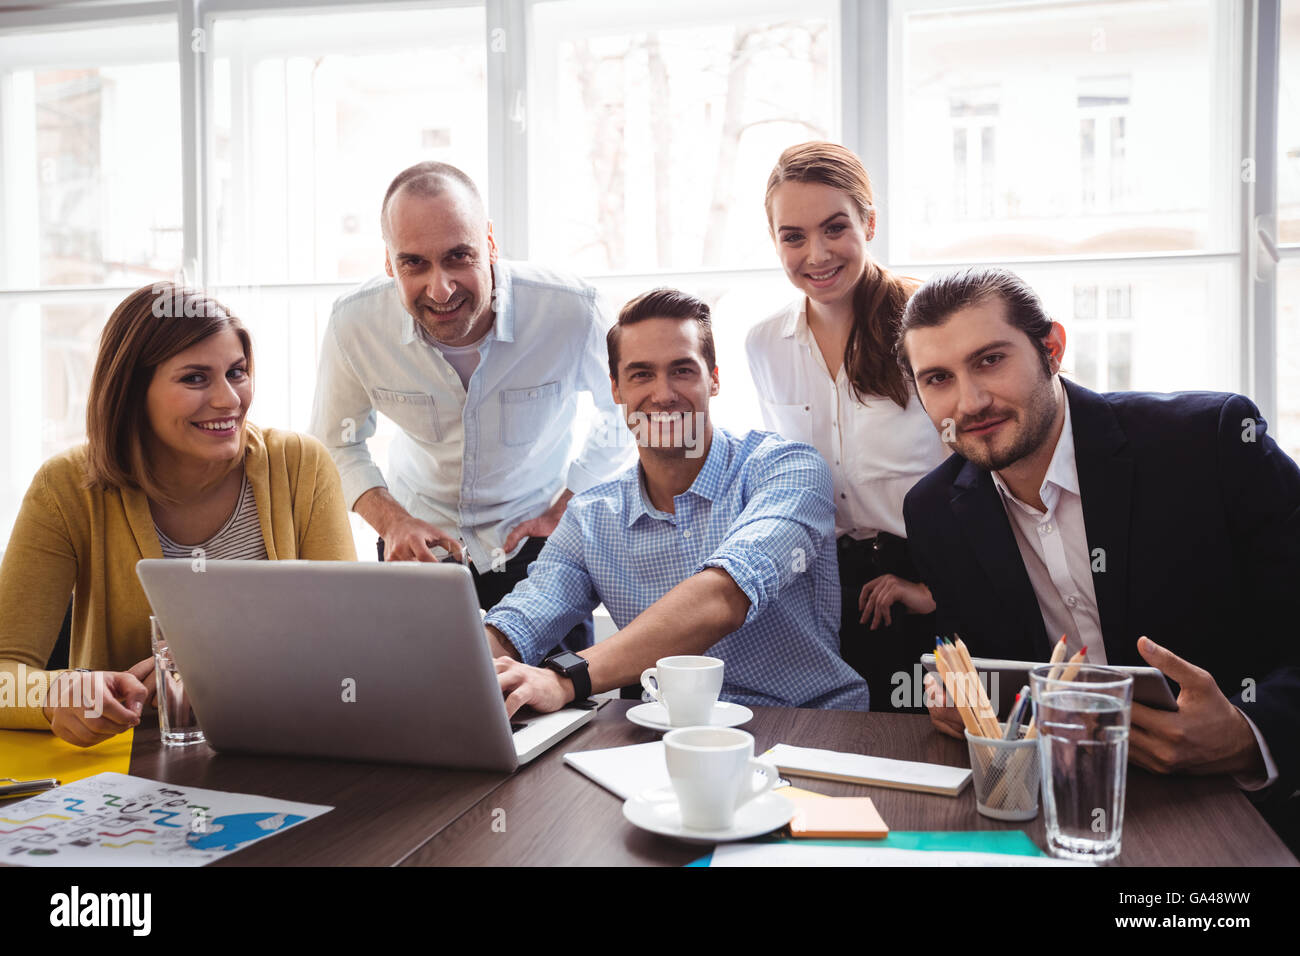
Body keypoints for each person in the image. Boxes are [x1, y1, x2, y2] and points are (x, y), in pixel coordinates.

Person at [896, 267, 1300, 808]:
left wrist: (1251, 734)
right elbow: (987, 674)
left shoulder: (1211, 442)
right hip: (1057, 799)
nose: (969, 403)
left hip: (1241, 800)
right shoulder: (933, 511)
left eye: (990, 360)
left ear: (1052, 349)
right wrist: (967, 703)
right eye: (938, 378)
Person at [0, 284, 355, 745]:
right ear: (133, 390)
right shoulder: (67, 486)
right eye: (195, 378)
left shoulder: (301, 465)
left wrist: (222, 661)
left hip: (289, 748)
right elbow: (6, 670)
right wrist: (54, 692)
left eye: (237, 372)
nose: (229, 399)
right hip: (137, 767)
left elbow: (349, 646)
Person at [486, 289, 870, 714]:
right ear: (615, 388)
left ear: (715, 379)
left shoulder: (786, 470)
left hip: (805, 729)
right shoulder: (590, 519)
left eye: (682, 370)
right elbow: (523, 617)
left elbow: (723, 600)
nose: (663, 393)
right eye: (641, 375)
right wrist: (463, 662)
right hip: (659, 739)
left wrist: (566, 677)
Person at [311, 161, 631, 650]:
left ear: (490, 245)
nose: (440, 289)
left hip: (540, 546)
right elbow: (336, 441)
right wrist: (393, 522)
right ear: (389, 263)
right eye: (414, 263)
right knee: (415, 707)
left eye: (458, 256)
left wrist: (569, 506)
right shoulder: (354, 323)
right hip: (416, 548)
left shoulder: (571, 309)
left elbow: (624, 414)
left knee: (562, 709)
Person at [745, 142, 947, 710]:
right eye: (793, 236)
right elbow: (789, 480)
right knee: (836, 744)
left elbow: (980, 471)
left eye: (835, 228)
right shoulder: (764, 345)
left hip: (930, 575)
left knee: (928, 747)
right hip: (828, 585)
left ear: (869, 222)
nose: (816, 254)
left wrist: (937, 591)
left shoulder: (926, 324)